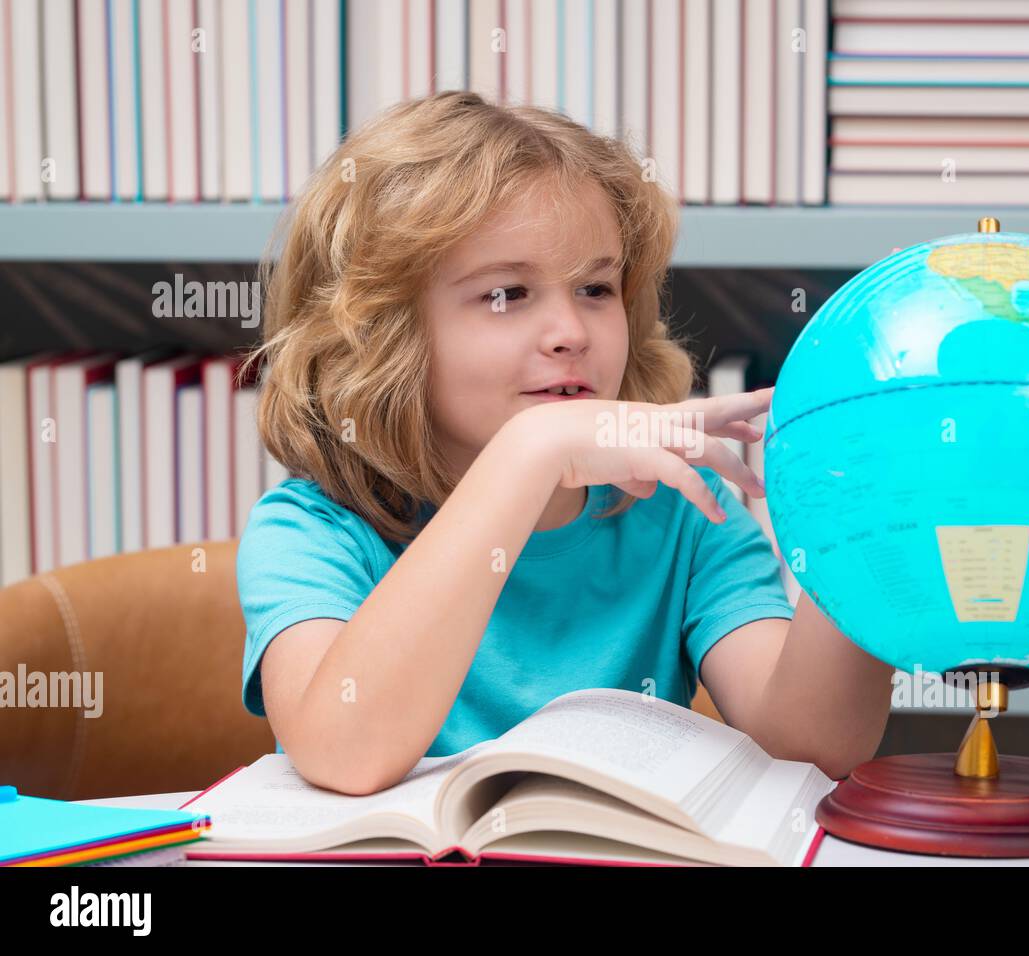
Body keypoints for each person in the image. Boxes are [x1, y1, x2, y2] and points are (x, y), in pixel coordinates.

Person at [236, 91, 893, 795]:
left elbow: (813, 746)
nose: (571, 332)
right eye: (506, 294)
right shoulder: (310, 531)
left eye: (595, 288)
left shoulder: (683, 518)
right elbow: (344, 751)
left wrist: (864, 520)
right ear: (381, 334)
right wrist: (530, 453)